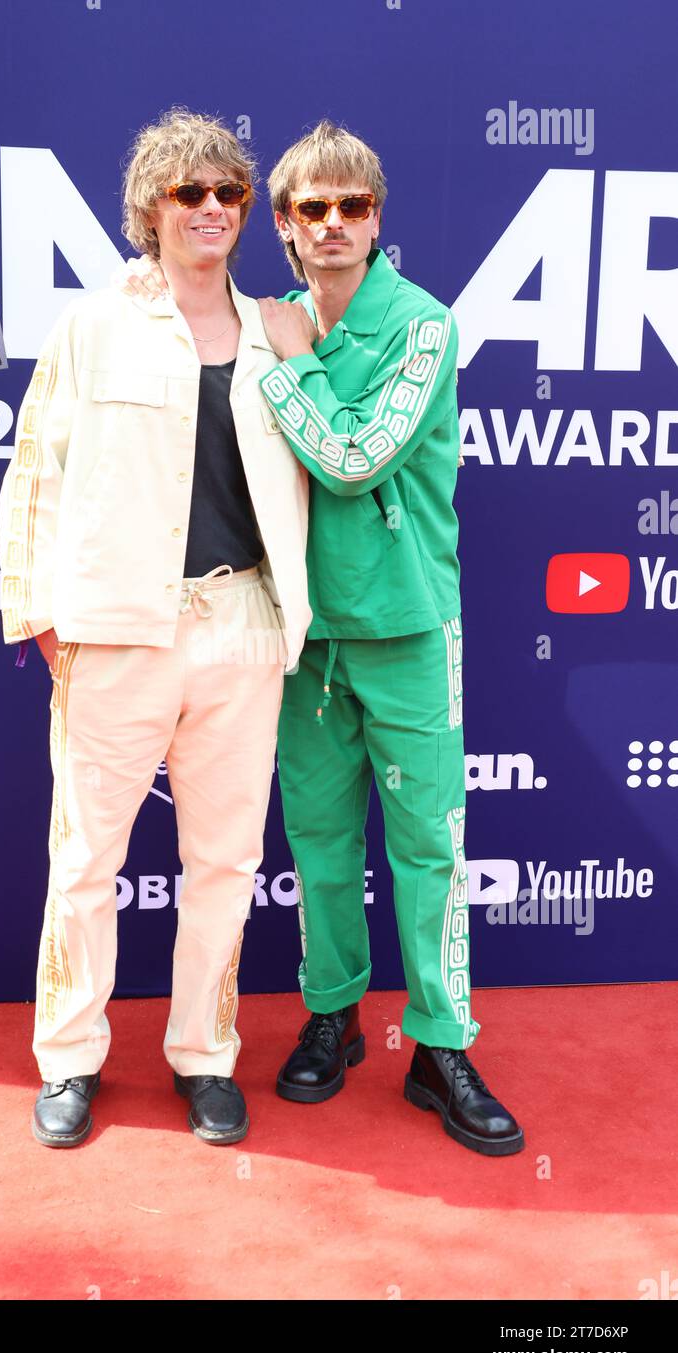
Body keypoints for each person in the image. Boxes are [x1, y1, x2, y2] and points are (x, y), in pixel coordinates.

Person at [119, 120, 523, 1157]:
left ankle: (439, 1044)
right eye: (311, 209)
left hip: (405, 629)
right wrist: (280, 345)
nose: (333, 224)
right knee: (321, 848)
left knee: (429, 847)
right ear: (287, 228)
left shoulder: (421, 324)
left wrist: (287, 366)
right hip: (299, 638)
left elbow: (351, 458)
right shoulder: (271, 322)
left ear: (376, 220)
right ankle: (332, 1013)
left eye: (351, 207)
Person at [0, 108, 310, 1149]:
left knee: (222, 860)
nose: (212, 208)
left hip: (242, 624)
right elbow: (34, 468)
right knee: (87, 858)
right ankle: (70, 1058)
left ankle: (204, 1055)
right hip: (116, 627)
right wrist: (42, 615)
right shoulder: (91, 327)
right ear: (150, 210)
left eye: (227, 191)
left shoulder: (279, 329)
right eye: (190, 193)